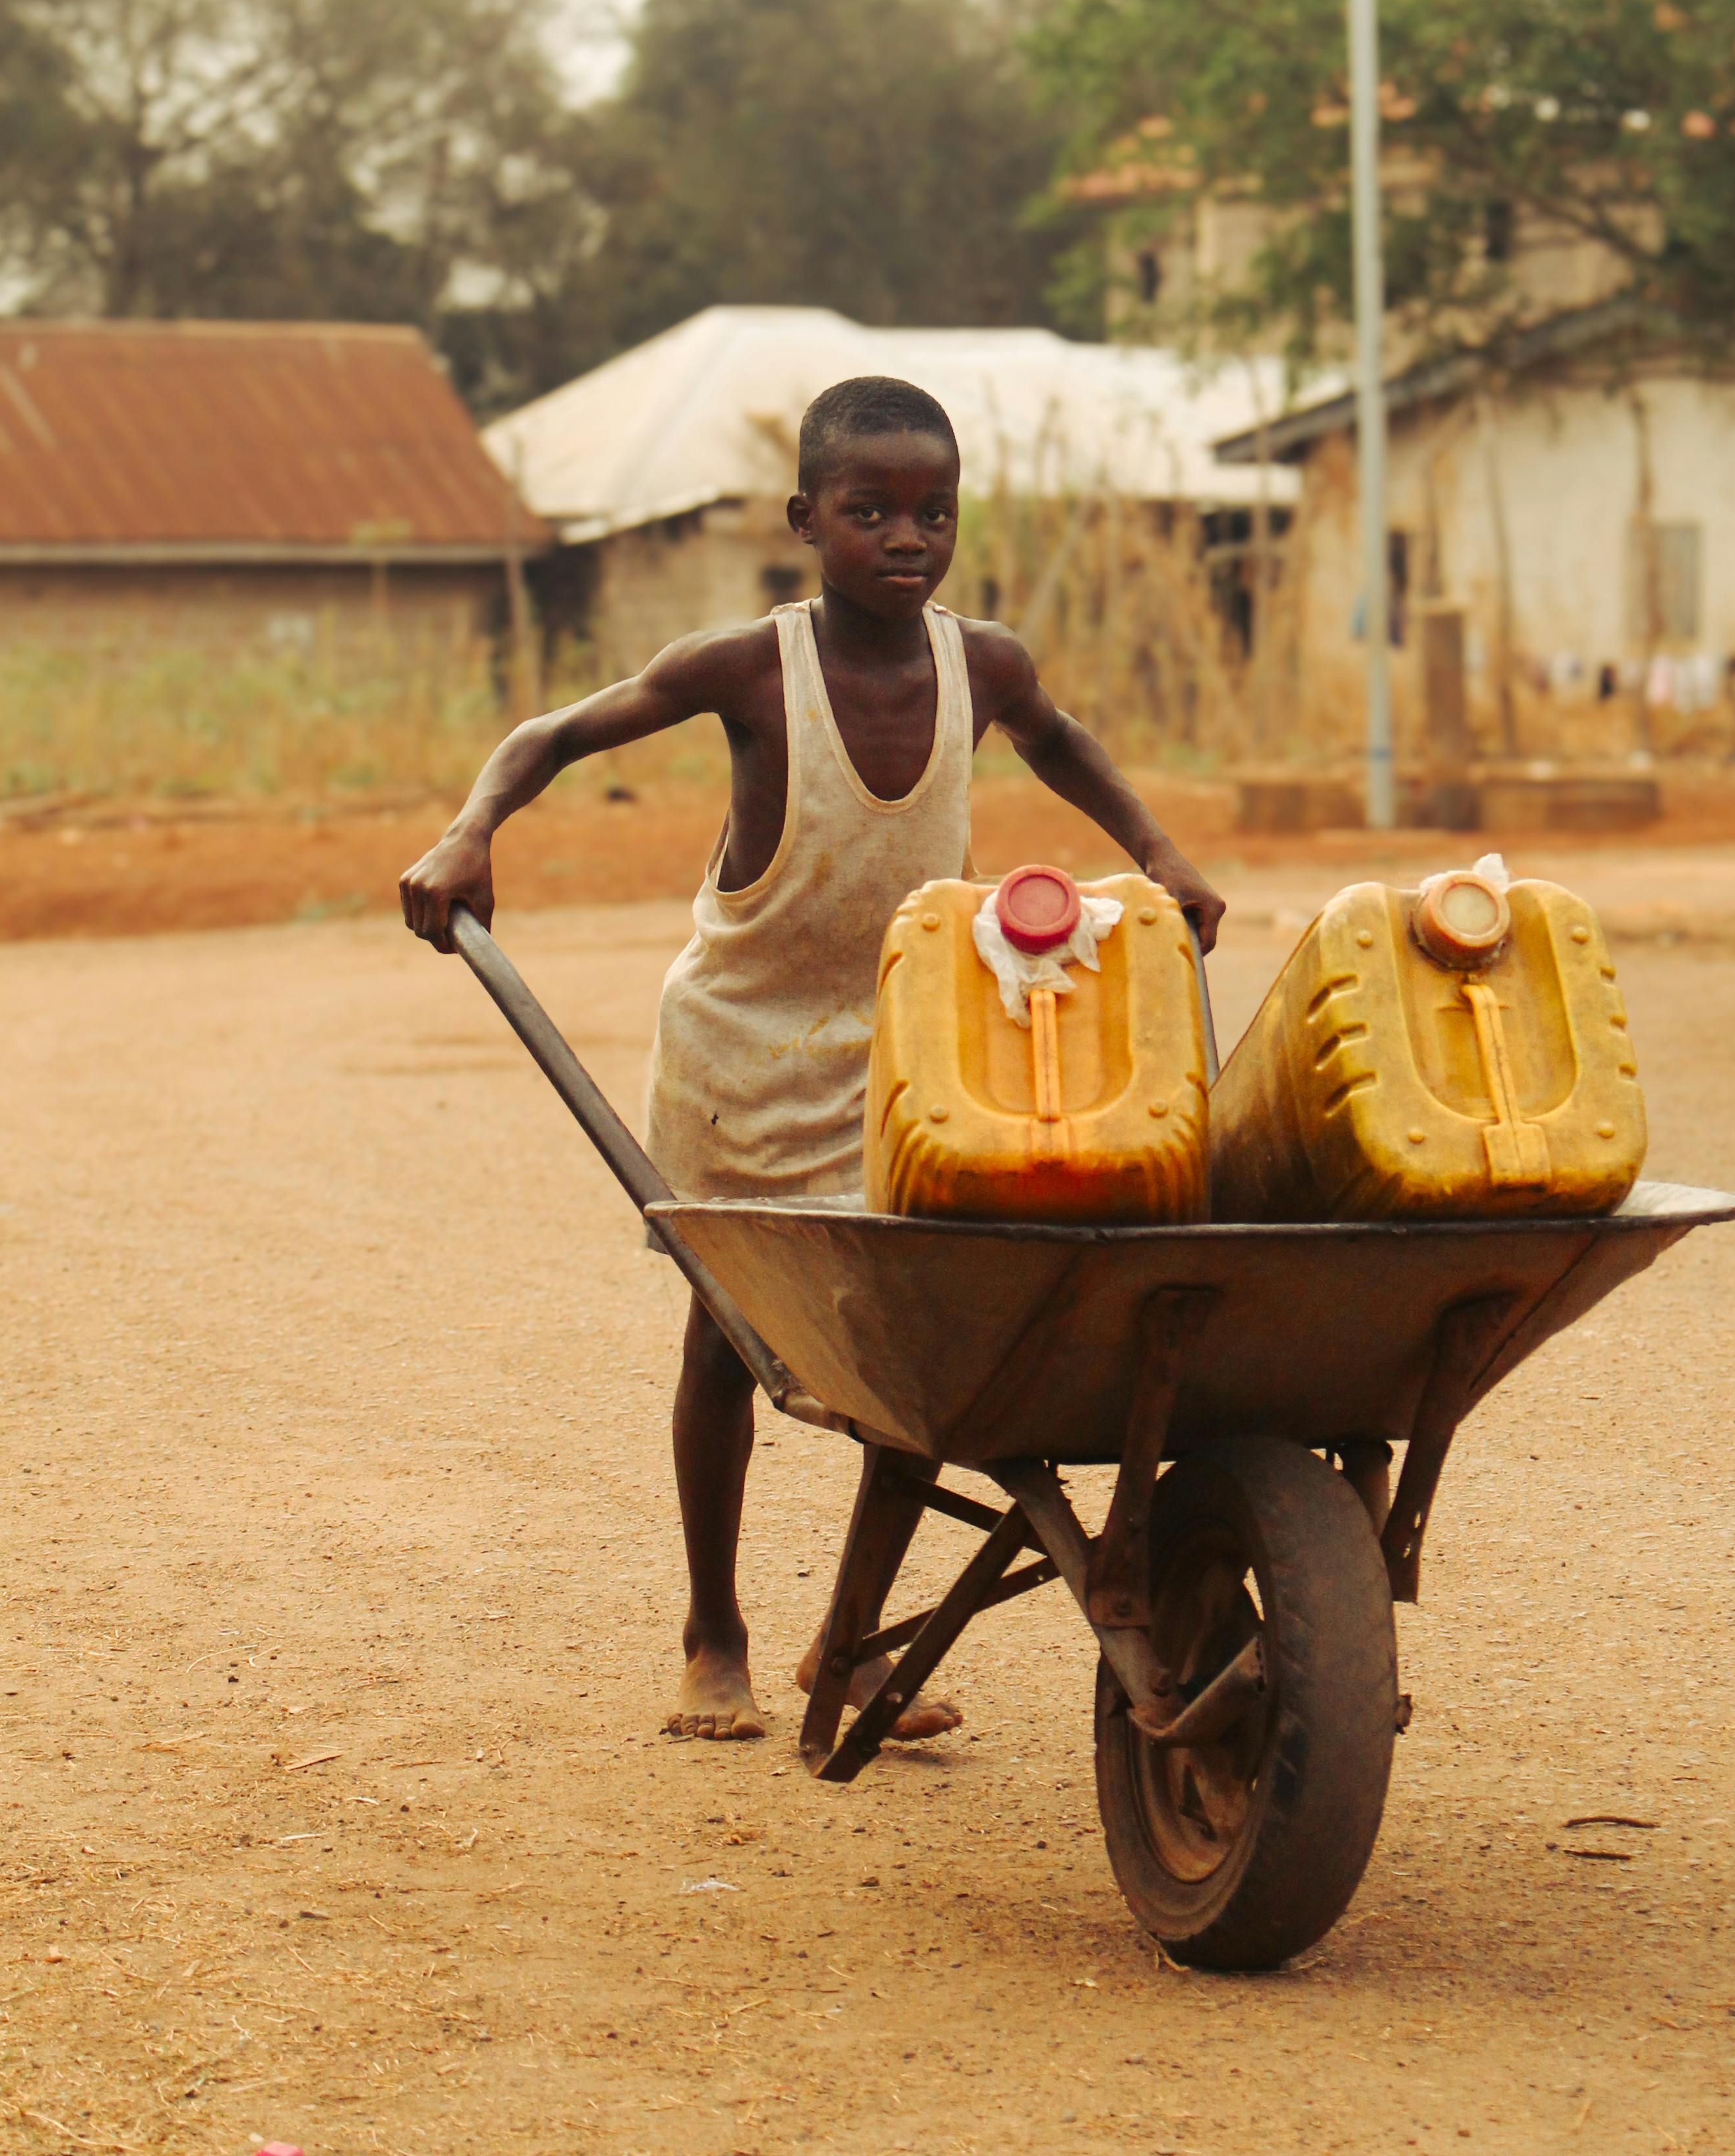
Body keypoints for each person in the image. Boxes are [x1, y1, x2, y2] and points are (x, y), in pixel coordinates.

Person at [398, 374, 1225, 1742]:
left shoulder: (986, 665)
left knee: (917, 1350)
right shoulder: (747, 667)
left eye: (933, 512)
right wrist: (468, 831)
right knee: (727, 1340)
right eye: (870, 510)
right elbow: (552, 734)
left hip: (908, 1045)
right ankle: (711, 1631)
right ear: (804, 520)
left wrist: (1159, 851)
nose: (907, 537)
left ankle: (845, 1650)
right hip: (738, 1044)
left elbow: (1060, 742)